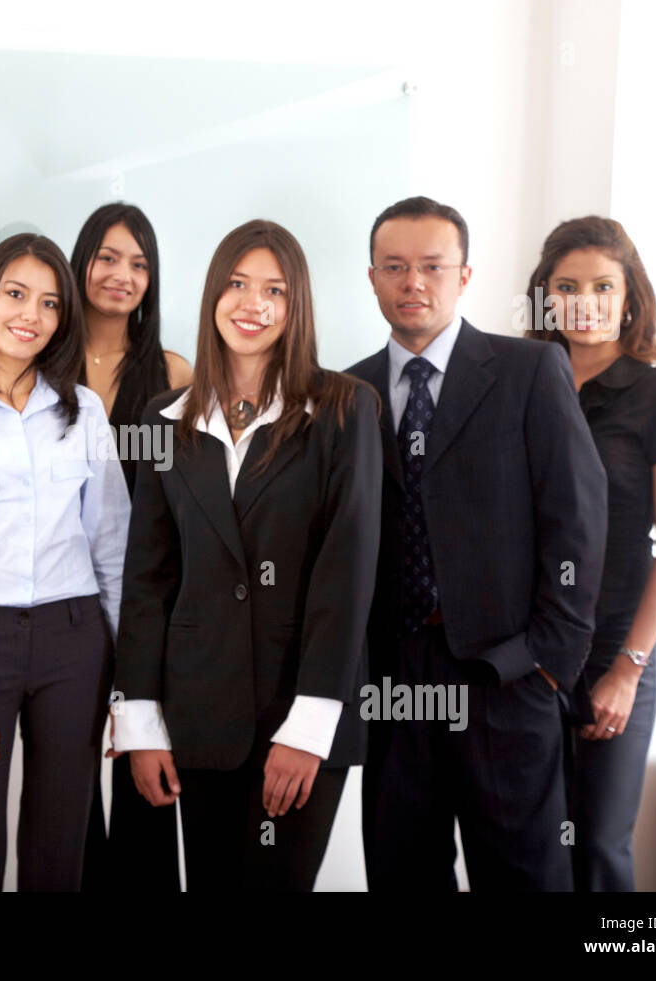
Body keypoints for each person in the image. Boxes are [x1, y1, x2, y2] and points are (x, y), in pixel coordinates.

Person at [347, 196, 608, 891]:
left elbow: (576, 520)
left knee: (525, 877)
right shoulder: (347, 393)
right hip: (394, 686)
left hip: (506, 676)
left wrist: (550, 659)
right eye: (395, 267)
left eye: (432, 266)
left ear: (464, 276)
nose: (413, 283)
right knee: (403, 873)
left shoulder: (528, 372)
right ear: (372, 278)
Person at [112, 219, 381, 891]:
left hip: (300, 711)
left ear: (297, 308)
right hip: (197, 713)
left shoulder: (347, 410)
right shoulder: (159, 420)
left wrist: (309, 726)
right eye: (236, 284)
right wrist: (139, 719)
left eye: (274, 290)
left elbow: (344, 577)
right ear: (212, 296)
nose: (252, 304)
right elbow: (146, 577)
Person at [0, 233, 130, 891]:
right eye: (15, 294)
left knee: (57, 848)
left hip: (74, 641)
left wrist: (129, 686)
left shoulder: (83, 411)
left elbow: (113, 551)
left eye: (48, 303)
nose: (30, 316)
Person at [523, 216, 656, 891]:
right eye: (566, 286)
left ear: (630, 297)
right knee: (530, 847)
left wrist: (628, 668)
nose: (585, 302)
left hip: (615, 651)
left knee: (596, 847)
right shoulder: (519, 384)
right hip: (529, 655)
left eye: (603, 286)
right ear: (545, 297)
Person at [69, 202, 190, 891]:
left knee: (145, 763)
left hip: (150, 598)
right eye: (109, 257)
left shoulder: (173, 368)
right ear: (83, 259)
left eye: (139, 264)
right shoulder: (46, 361)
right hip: (62, 599)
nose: (122, 275)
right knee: (70, 779)